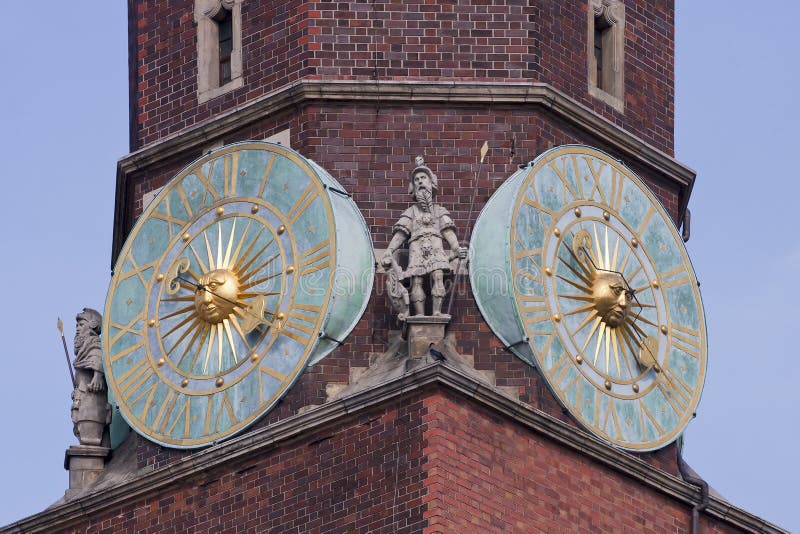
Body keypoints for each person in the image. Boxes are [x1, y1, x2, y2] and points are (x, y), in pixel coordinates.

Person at [382, 157, 467, 317]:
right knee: (417, 280)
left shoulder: (439, 211)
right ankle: (419, 315)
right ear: (413, 187)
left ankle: (437, 312)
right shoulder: (411, 212)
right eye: (416, 179)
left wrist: (456, 247)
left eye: (423, 178)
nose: (420, 181)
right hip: (417, 248)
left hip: (436, 247)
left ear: (431, 182)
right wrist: (389, 250)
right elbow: (401, 234)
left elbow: (448, 232)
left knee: (438, 276)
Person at [71, 308, 111, 446]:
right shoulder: (83, 350)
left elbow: (97, 358)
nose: (77, 329)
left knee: (91, 434)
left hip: (91, 399)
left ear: (92, 325)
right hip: (82, 397)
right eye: (77, 326)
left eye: (81, 325)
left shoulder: (94, 344)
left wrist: (97, 376)